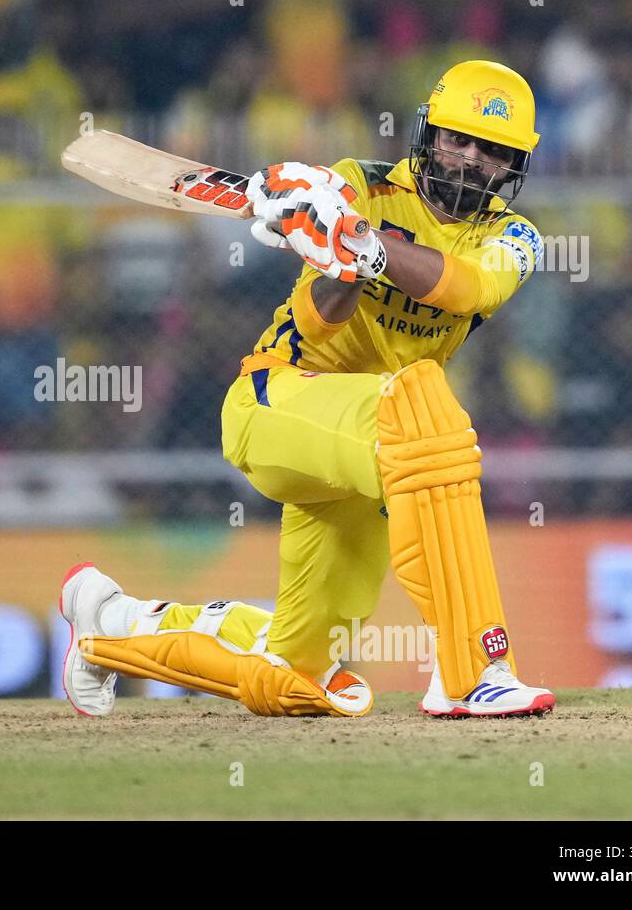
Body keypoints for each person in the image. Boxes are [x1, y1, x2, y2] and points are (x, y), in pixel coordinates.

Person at [60, 60, 555, 719]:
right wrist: (338, 256)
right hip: (279, 402)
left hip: (371, 450)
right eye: (457, 139)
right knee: (421, 408)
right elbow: (321, 319)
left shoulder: (513, 236)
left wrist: (364, 245)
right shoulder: (359, 186)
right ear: (429, 134)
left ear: (512, 167)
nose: (469, 160)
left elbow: (466, 287)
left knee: (296, 675)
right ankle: (473, 670)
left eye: (492, 151)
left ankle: (111, 626)